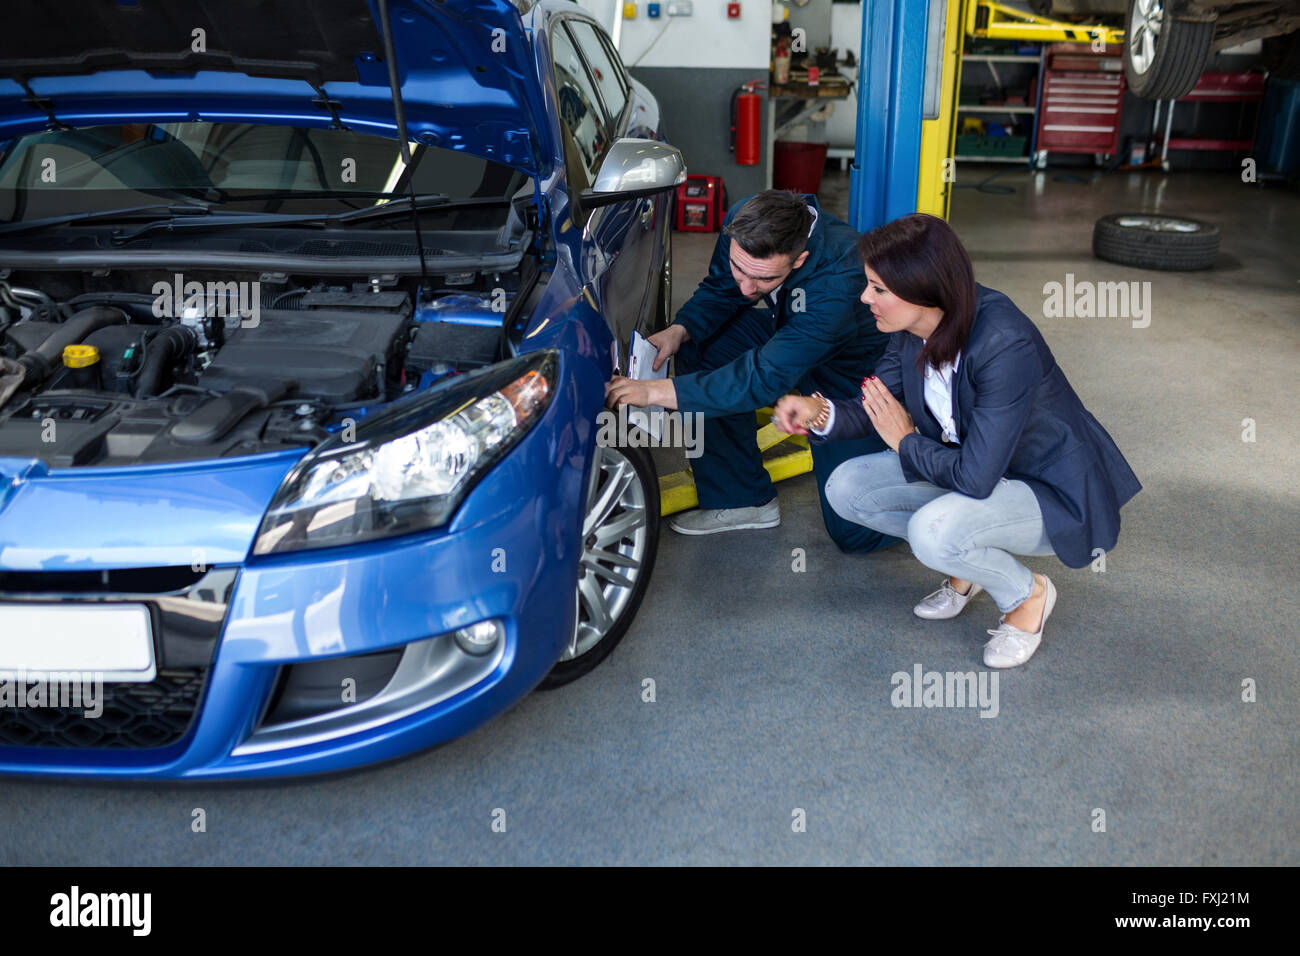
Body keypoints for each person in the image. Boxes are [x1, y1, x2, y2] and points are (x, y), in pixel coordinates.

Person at [773, 213, 1141, 668]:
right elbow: (876, 407)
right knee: (846, 489)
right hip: (978, 470)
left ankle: (1028, 596)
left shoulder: (1004, 342)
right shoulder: (910, 331)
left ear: (924, 290)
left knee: (934, 533)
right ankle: (966, 567)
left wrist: (906, 441)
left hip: (1046, 490)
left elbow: (975, 477)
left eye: (879, 289)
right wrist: (818, 411)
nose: (865, 297)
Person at [605, 189, 895, 553]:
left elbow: (763, 377)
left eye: (763, 280)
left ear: (800, 259)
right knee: (703, 340)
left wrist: (655, 392)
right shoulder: (747, 218)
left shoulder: (840, 275)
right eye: (739, 268)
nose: (746, 288)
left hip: (849, 374)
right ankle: (741, 499)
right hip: (789, 330)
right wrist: (680, 330)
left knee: (855, 533)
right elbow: (723, 290)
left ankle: (939, 475)